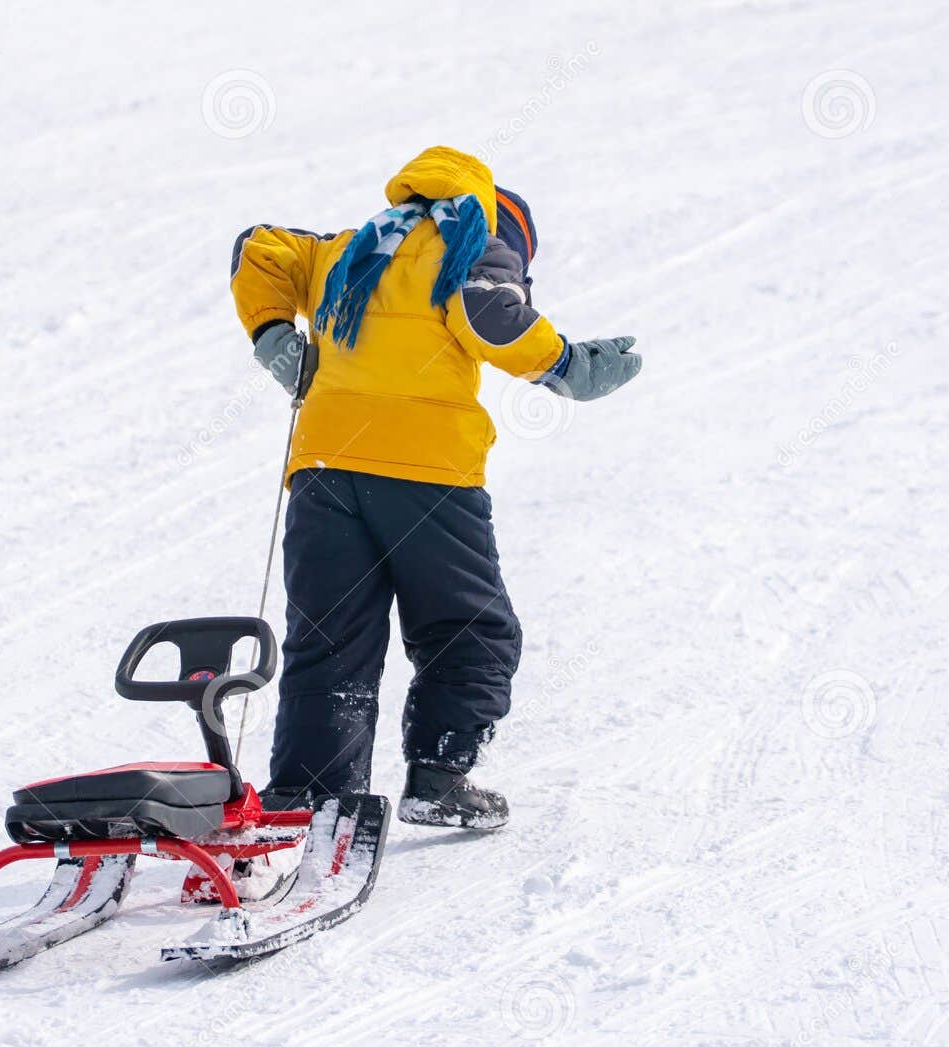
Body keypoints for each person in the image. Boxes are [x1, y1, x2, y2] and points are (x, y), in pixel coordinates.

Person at [229, 145, 641, 829]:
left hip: (325, 468)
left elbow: (258, 249)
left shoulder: (350, 247)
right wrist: (566, 364)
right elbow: (485, 309)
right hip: (426, 475)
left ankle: (309, 792)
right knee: (469, 627)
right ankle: (439, 776)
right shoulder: (475, 240)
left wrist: (275, 334)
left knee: (330, 635)